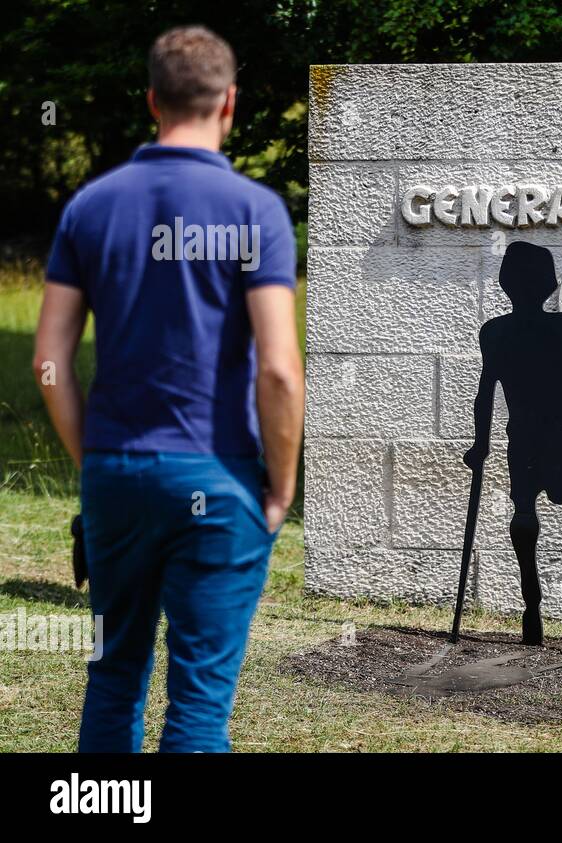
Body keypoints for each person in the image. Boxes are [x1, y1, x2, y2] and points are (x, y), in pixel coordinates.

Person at [33, 25, 303, 752]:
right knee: (200, 701)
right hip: (220, 478)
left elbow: (48, 360)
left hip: (117, 471)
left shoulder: (90, 207)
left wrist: (95, 458)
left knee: (114, 672)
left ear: (153, 99)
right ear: (230, 104)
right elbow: (278, 368)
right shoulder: (256, 211)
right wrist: (280, 490)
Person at [463, 242, 562, 647]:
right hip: (549, 436)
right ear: (549, 285)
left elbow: (486, 395)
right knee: (526, 515)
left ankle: (532, 603)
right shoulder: (559, 327)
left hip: (528, 436)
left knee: (524, 513)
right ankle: (532, 606)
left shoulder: (499, 332)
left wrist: (480, 443)